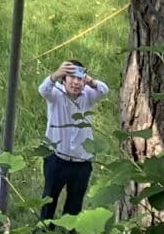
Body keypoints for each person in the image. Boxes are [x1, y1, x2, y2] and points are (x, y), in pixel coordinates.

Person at [39, 59, 110, 220]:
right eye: (71, 78)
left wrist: (91, 81)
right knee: (49, 199)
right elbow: (43, 89)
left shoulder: (88, 95)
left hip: (81, 161)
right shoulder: (55, 94)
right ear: (64, 80)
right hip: (56, 157)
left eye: (79, 79)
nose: (76, 83)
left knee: (75, 203)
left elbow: (104, 90)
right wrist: (56, 74)